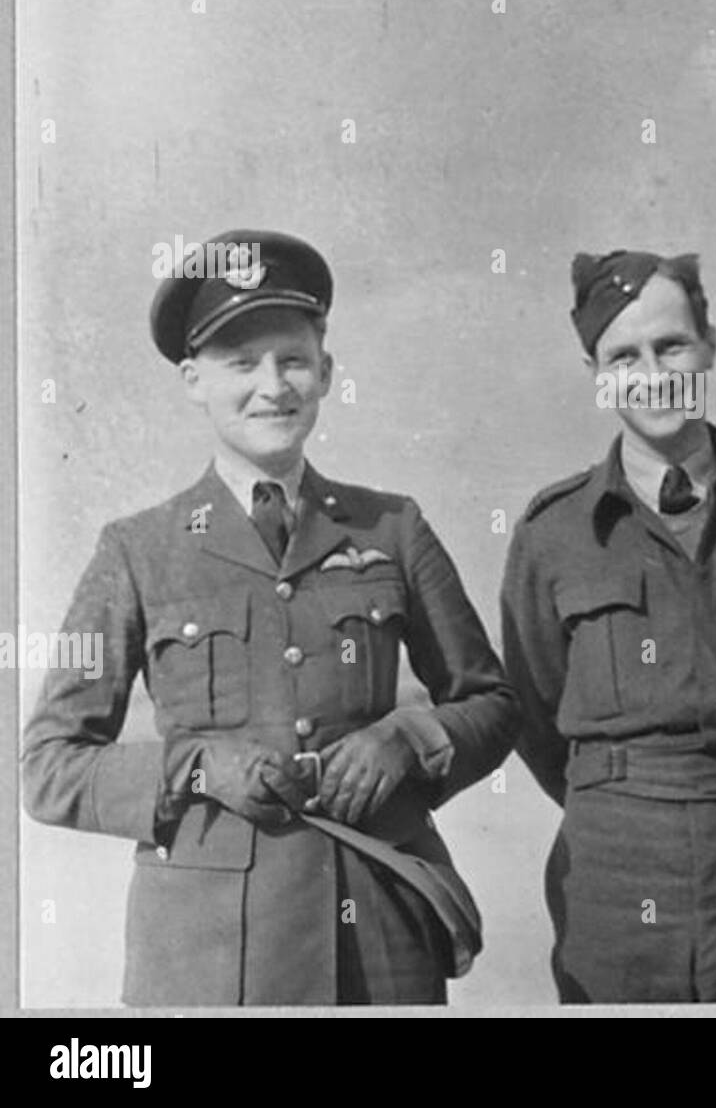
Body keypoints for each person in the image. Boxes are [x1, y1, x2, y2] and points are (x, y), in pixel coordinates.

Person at [23, 229, 519, 1005]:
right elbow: (48, 766)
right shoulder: (136, 551)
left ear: (326, 372)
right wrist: (191, 767)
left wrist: (408, 738)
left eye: (292, 359)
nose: (272, 385)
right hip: (206, 954)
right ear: (194, 379)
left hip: (377, 934)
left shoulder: (393, 528)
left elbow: (492, 703)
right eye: (240, 363)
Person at [500, 249, 716, 1002]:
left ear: (710, 344)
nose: (653, 372)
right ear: (598, 373)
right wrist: (633, 800)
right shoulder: (554, 532)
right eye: (623, 356)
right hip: (617, 870)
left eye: (672, 346)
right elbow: (536, 712)